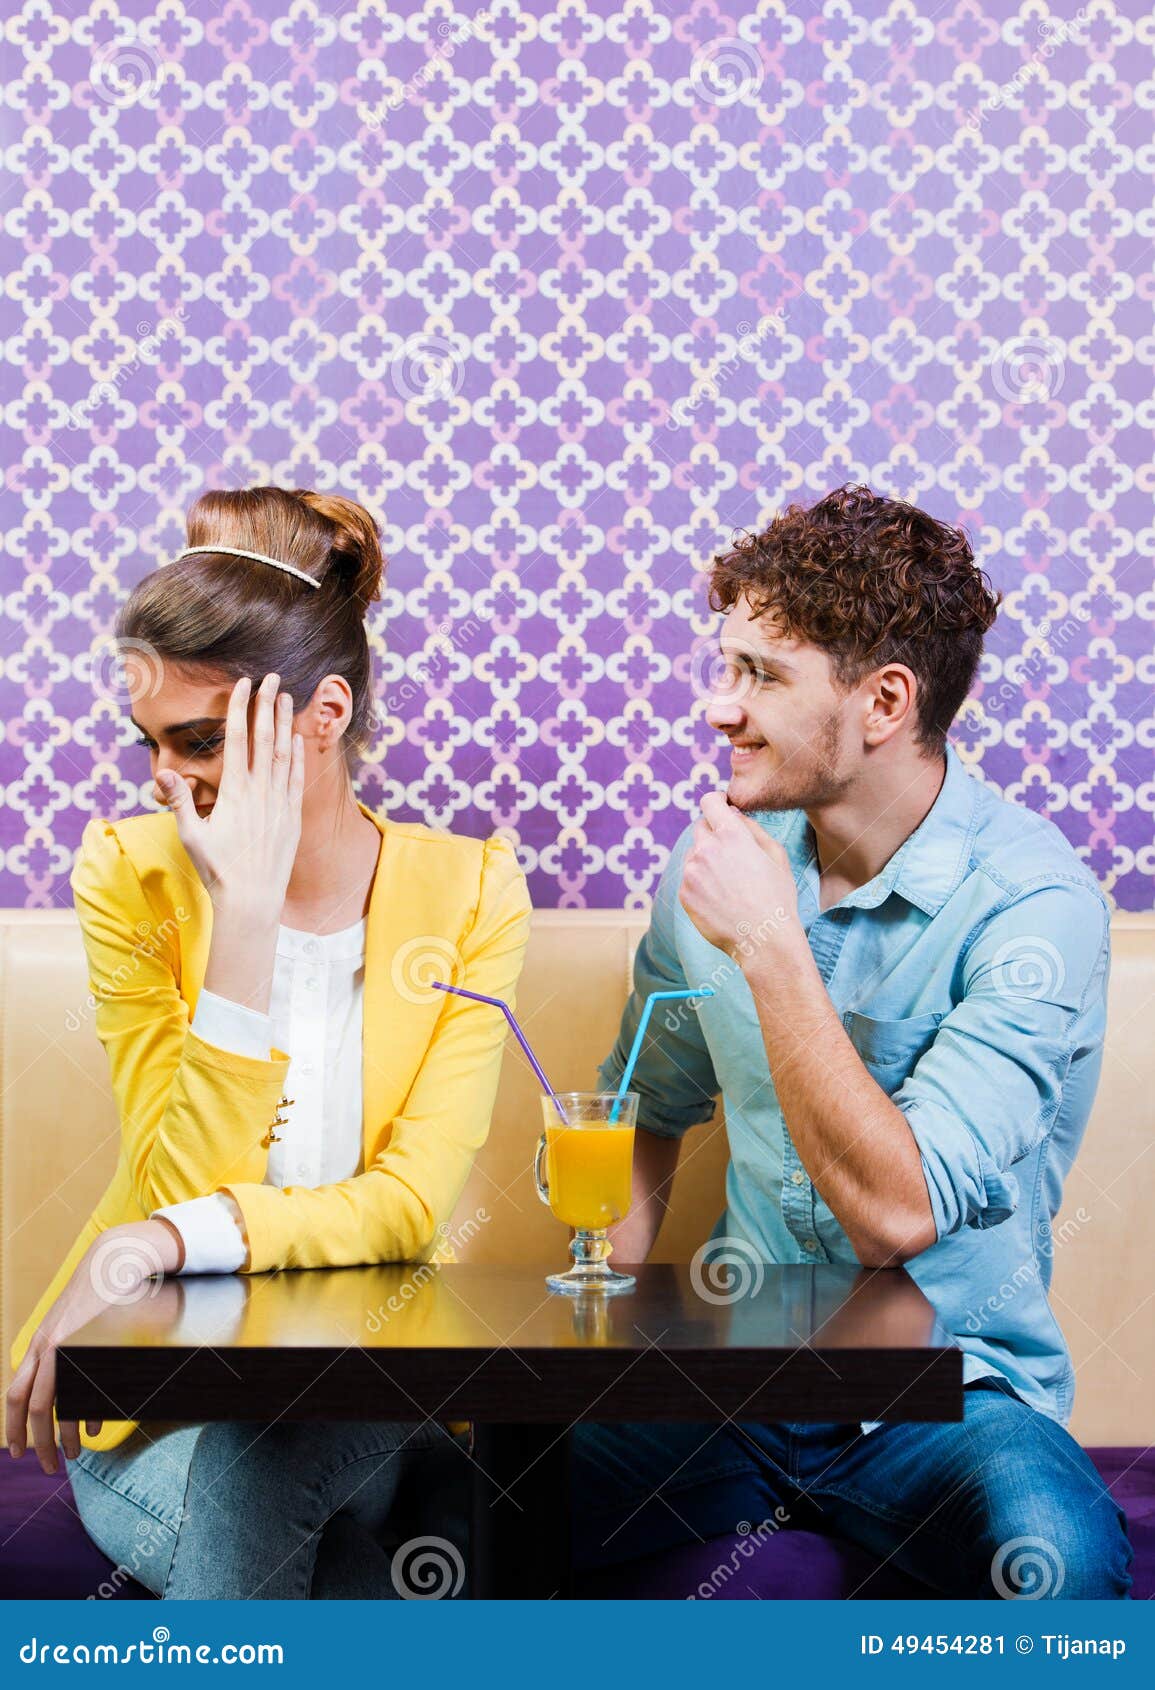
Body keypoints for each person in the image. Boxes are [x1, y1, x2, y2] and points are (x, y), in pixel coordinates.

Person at [573, 483, 1133, 1600]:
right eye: (724, 665)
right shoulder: (717, 874)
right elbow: (641, 1111)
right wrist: (591, 1342)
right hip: (730, 1382)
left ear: (882, 702)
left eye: (762, 677)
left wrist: (775, 945)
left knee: (1059, 1566)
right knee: (452, 1501)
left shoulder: (1033, 907)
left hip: (947, 1396)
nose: (717, 709)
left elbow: (895, 1212)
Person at [6, 486, 532, 1599]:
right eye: (151, 742)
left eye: (198, 740)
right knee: (294, 1505)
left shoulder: (473, 891)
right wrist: (242, 915)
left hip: (375, 1383)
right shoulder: (132, 875)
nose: (164, 778)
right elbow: (177, 1169)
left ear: (323, 714)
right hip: (160, 1400)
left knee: (309, 1457)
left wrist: (166, 1238)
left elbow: (406, 1208)